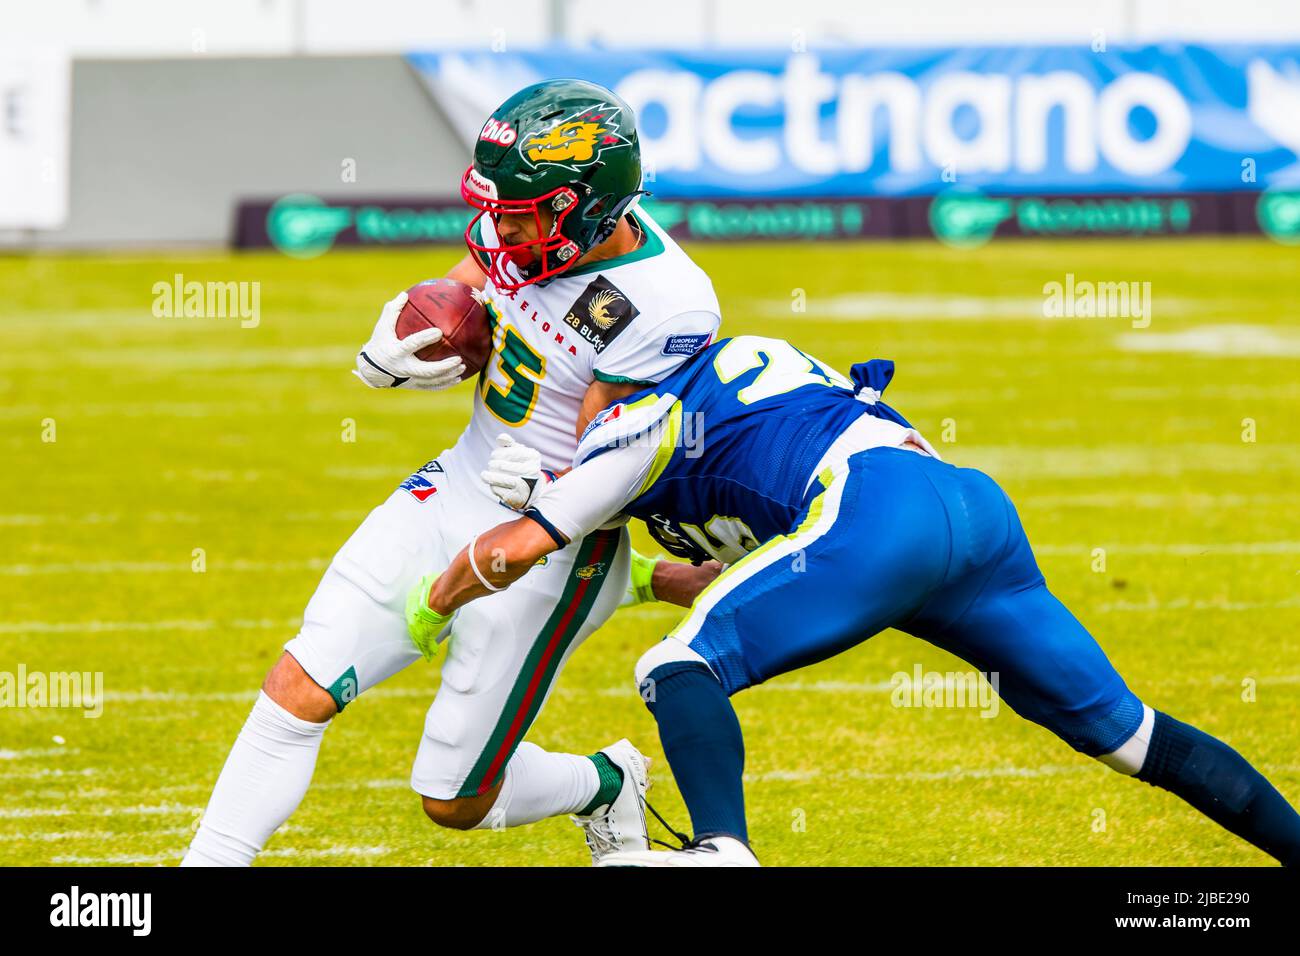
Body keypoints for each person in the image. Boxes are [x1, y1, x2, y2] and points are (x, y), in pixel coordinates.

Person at [407, 334, 1300, 867]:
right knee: (1127, 736)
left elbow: (592, 490)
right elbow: (722, 566)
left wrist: (539, 492)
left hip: (872, 512)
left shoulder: (631, 411)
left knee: (678, 665)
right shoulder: (713, 379)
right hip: (964, 510)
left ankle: (723, 847)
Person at [182, 79, 722, 867]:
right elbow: (461, 294)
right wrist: (400, 341)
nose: (498, 229)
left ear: (588, 208)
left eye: (520, 213)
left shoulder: (665, 303)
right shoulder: (523, 230)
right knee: (299, 685)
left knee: (454, 799)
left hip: (549, 544)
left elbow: (609, 465)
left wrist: (545, 498)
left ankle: (606, 782)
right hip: (454, 483)